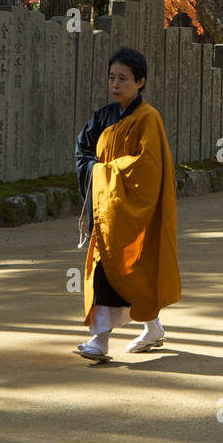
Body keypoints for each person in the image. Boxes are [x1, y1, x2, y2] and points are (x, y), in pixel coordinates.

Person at [73, 47, 181, 361]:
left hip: (134, 211)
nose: (115, 84)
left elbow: (147, 166)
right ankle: (101, 340)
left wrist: (106, 172)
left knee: (136, 270)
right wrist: (97, 172)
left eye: (123, 78)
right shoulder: (102, 117)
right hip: (105, 210)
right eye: (112, 78)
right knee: (104, 270)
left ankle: (149, 327)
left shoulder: (149, 118)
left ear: (140, 81)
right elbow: (84, 152)